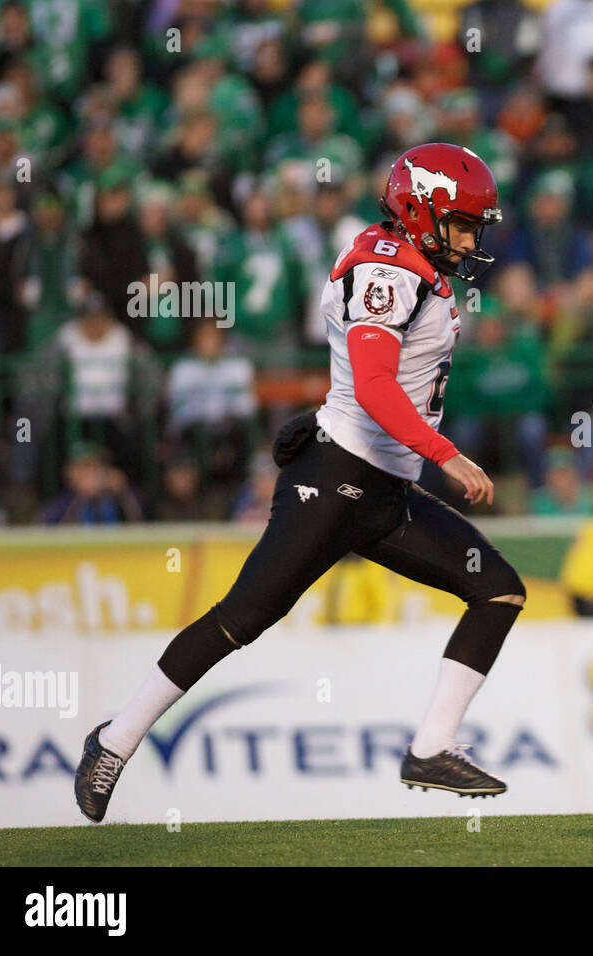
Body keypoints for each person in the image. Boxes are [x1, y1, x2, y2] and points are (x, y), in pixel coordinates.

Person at [74, 144, 527, 822]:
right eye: (460, 222)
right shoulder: (388, 271)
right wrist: (445, 454)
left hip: (384, 492)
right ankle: (114, 740)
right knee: (241, 619)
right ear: (420, 211)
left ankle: (432, 748)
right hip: (340, 478)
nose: (470, 237)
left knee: (498, 590)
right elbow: (374, 386)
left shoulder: (409, 263)